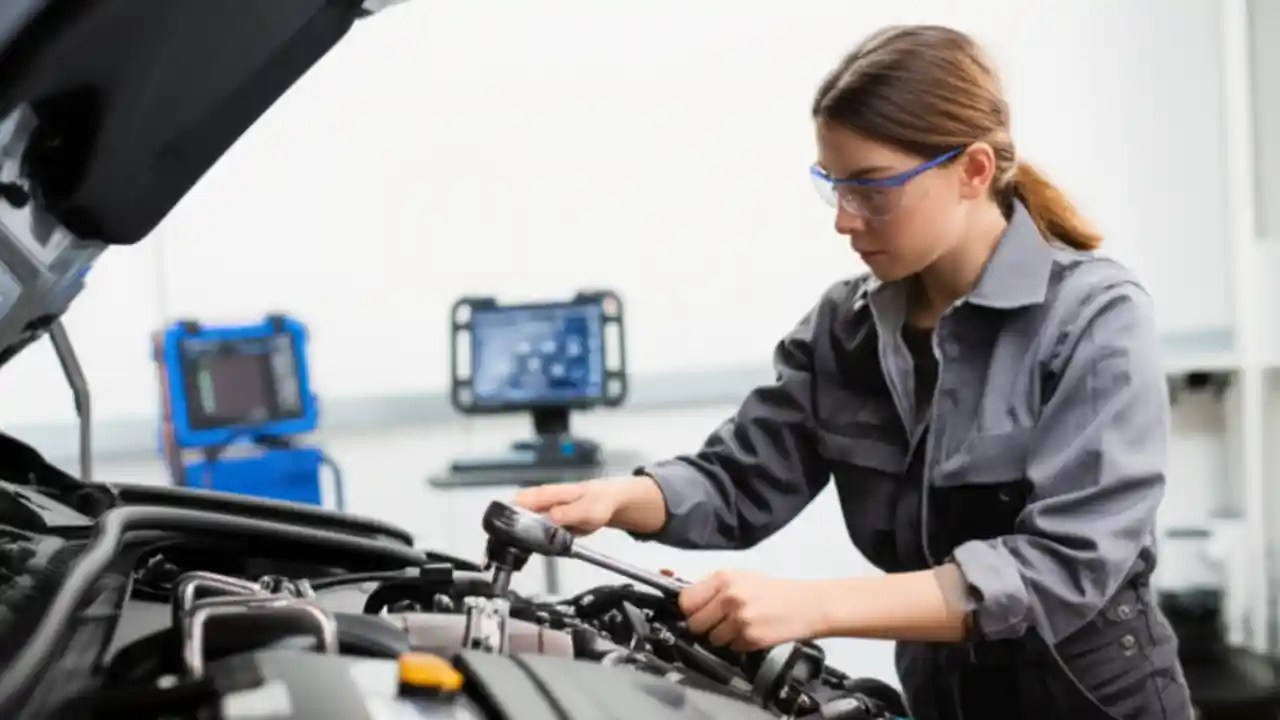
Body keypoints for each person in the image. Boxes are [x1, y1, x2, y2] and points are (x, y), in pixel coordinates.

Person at [514, 24, 1192, 720]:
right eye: (834, 187)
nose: (844, 220)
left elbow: (1060, 568)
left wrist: (812, 606)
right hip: (942, 700)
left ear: (974, 171)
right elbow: (740, 479)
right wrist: (615, 499)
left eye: (871, 189)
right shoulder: (845, 328)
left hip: (1092, 703)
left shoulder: (1094, 317)